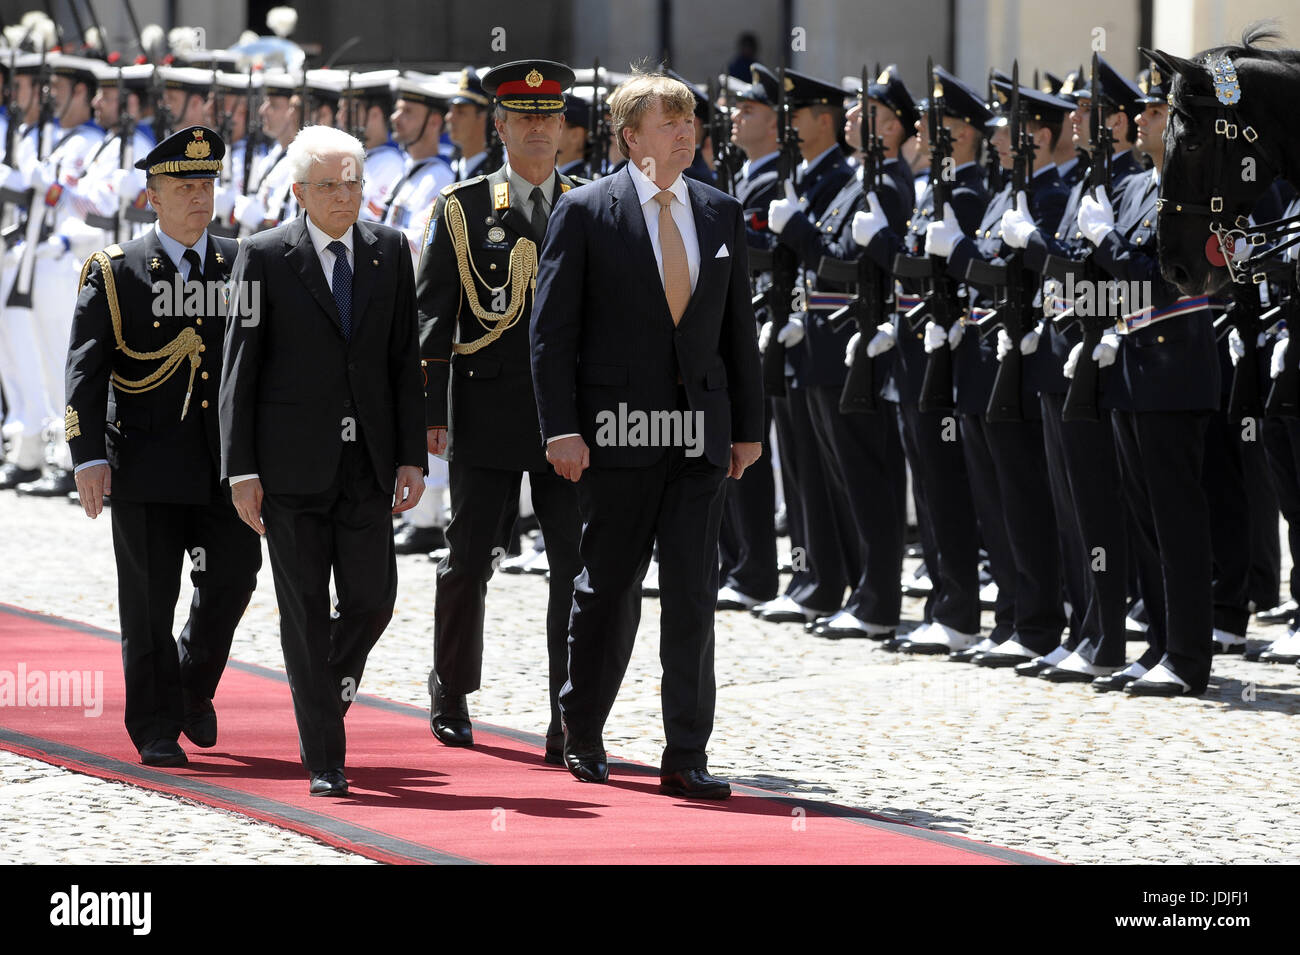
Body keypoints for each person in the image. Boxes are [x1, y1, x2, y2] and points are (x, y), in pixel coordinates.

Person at [531, 71, 764, 799]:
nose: (688, 136)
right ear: (631, 136)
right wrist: (561, 427)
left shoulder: (721, 212)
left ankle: (685, 752)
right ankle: (584, 729)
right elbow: (550, 332)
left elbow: (738, 332)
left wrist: (749, 427)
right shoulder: (584, 210)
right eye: (671, 124)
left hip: (700, 436)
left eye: (692, 123)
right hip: (616, 434)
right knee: (606, 587)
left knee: (693, 595)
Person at [219, 124, 427, 795]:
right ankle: (325, 758)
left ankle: (317, 690)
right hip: (288, 469)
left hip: (366, 463)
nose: (346, 195)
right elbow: (238, 368)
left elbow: (403, 361)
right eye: (331, 185)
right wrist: (241, 469)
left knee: (372, 599)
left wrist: (411, 455)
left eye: (355, 182)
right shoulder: (264, 254)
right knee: (303, 607)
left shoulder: (390, 251)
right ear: (299, 191)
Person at [65, 125, 261, 767]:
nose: (199, 197)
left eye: (206, 184)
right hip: (147, 462)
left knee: (232, 580)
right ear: (152, 195)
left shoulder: (242, 263)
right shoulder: (116, 269)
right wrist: (88, 456)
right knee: (149, 599)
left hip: (226, 466)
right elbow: (86, 371)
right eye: (183, 186)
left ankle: (187, 686)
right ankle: (153, 725)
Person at [419, 59, 585, 764]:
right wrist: (430, 411)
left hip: (567, 419)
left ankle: (570, 708)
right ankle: (451, 686)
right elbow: (433, 315)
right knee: (467, 556)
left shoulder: (587, 204)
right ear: (503, 126)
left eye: (551, 120)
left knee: (574, 567)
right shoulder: (462, 208)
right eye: (527, 120)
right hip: (485, 407)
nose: (541, 132)